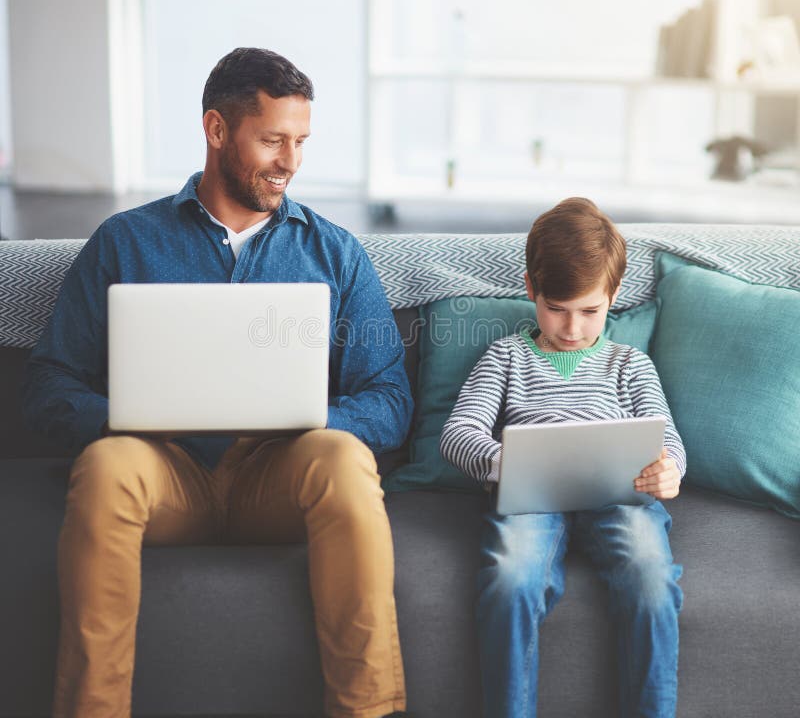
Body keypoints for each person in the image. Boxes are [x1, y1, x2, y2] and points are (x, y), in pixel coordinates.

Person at [23, 47, 413, 718]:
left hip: (280, 477)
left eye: (300, 142)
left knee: (345, 458)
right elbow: (49, 384)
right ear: (216, 130)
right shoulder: (125, 242)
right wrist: (130, 418)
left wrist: (311, 422)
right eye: (271, 140)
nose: (289, 161)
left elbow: (389, 399)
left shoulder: (335, 253)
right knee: (109, 462)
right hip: (166, 474)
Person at [440, 197, 685, 718]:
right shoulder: (505, 356)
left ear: (613, 297)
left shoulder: (630, 364)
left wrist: (671, 472)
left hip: (621, 496)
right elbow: (459, 433)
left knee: (651, 575)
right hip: (530, 497)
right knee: (510, 577)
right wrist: (507, 463)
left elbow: (669, 442)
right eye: (557, 309)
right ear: (531, 290)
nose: (572, 328)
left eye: (590, 311)